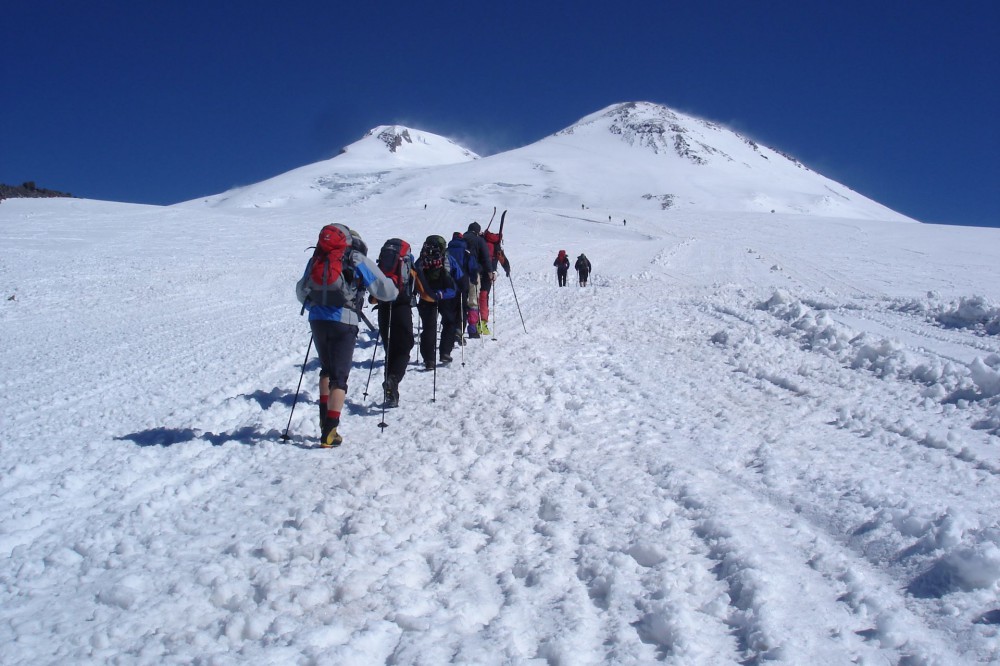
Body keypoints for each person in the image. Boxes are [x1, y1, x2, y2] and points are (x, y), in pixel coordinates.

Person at [299, 224, 397, 448]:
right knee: (340, 378)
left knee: (326, 370)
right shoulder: (355, 258)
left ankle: (324, 422)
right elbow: (384, 290)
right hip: (345, 319)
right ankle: (330, 433)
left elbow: (301, 291)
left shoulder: (318, 257)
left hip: (317, 319)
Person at [374, 242, 415, 409]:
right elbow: (420, 285)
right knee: (405, 348)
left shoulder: (382, 266)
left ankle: (391, 394)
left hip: (384, 309)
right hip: (402, 309)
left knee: (389, 350)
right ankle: (393, 379)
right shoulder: (409, 265)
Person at [413, 235, 461, 368]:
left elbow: (414, 276)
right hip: (445, 296)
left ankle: (429, 359)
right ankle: (445, 352)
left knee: (429, 327)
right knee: (449, 323)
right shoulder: (448, 258)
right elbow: (459, 275)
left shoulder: (421, 260)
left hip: (426, 297)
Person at [463, 221, 492, 337]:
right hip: (473, 274)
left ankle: (458, 328)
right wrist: (490, 271)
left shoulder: (462, 238)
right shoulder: (479, 240)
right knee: (473, 301)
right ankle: (472, 328)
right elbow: (485, 257)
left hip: (458, 275)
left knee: (461, 301)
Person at [447, 232, 476, 346]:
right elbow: (472, 267)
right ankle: (459, 330)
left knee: (450, 309)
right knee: (462, 307)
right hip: (462, 284)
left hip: (448, 285)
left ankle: (450, 331)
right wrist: (474, 279)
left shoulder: (446, 251)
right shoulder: (466, 252)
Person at [480, 228, 511, 334]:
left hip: (477, 272)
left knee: (475, 297)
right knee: (484, 296)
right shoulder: (496, 244)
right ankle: (482, 323)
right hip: (490, 274)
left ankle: (473, 322)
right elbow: (502, 258)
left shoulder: (482, 240)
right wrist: (507, 269)